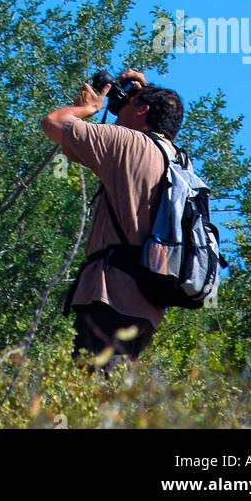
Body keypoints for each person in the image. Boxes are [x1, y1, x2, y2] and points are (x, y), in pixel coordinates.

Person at [40, 69, 184, 366]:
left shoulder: (127, 144)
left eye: (129, 104)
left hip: (111, 296)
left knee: (90, 396)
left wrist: (88, 108)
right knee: (109, 393)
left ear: (142, 110)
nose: (116, 108)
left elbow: (53, 123)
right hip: (146, 307)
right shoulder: (176, 158)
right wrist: (144, 99)